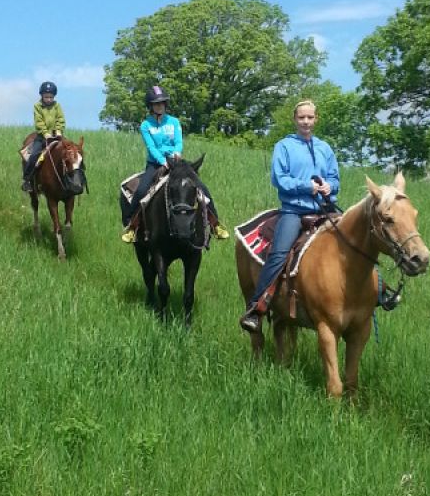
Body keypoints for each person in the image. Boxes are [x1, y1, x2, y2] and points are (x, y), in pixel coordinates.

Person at [239, 100, 341, 332]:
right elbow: (279, 179)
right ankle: (256, 308)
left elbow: (335, 178)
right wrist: (307, 186)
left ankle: (378, 291)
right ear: (295, 120)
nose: (306, 121)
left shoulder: (325, 148)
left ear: (317, 119)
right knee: (279, 253)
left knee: (356, 237)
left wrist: (329, 187)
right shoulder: (284, 146)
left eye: (310, 117)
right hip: (294, 210)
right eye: (301, 117)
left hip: (324, 209)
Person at [120, 85, 229, 243]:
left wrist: (177, 153)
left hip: (176, 163)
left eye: (162, 103)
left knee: (201, 188)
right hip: (156, 164)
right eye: (157, 103)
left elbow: (178, 142)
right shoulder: (146, 125)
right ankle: (132, 227)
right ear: (151, 106)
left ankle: (215, 224)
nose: (160, 106)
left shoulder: (174, 122)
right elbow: (151, 147)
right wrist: (163, 162)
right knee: (142, 190)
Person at [22, 81, 65, 191]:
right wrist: (45, 133)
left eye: (51, 97)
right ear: (42, 96)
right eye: (46, 97)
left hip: (57, 136)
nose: (49, 99)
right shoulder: (37, 106)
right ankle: (27, 180)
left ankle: (72, 180)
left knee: (71, 153)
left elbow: (60, 118)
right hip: (42, 137)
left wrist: (59, 130)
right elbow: (38, 121)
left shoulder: (57, 105)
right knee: (33, 155)